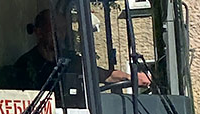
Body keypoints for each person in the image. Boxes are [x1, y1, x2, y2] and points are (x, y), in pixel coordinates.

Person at [12, 9, 149, 91]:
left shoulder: (70, 60)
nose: (60, 35)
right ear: (39, 32)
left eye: (63, 30)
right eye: (55, 30)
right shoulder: (25, 65)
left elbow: (102, 74)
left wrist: (131, 78)